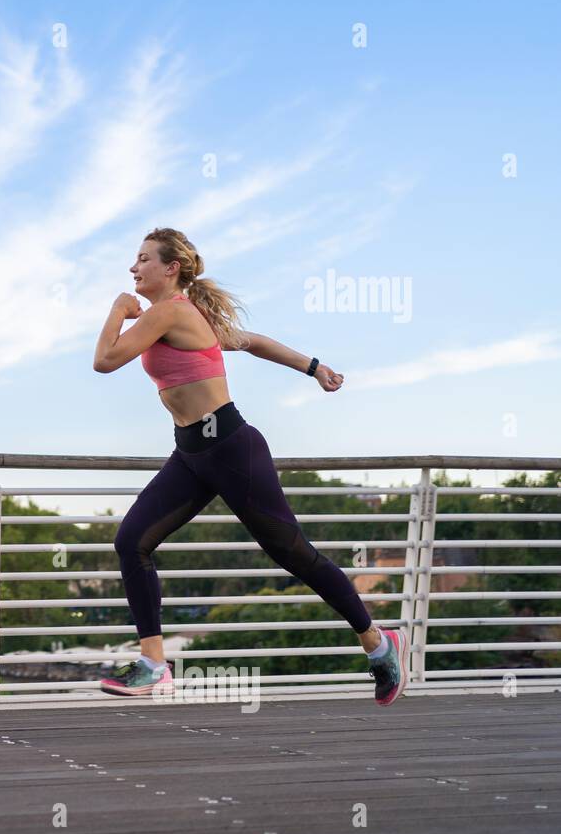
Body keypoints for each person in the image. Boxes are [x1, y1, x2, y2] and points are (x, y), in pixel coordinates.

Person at [91, 227, 408, 705]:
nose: (133, 269)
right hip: (192, 454)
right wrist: (313, 366)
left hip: (233, 448)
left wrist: (117, 308)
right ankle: (154, 663)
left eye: (142, 259)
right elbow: (251, 341)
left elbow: (105, 360)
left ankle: (379, 643)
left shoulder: (170, 311)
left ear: (170, 268)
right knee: (131, 541)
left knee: (293, 553)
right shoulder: (181, 314)